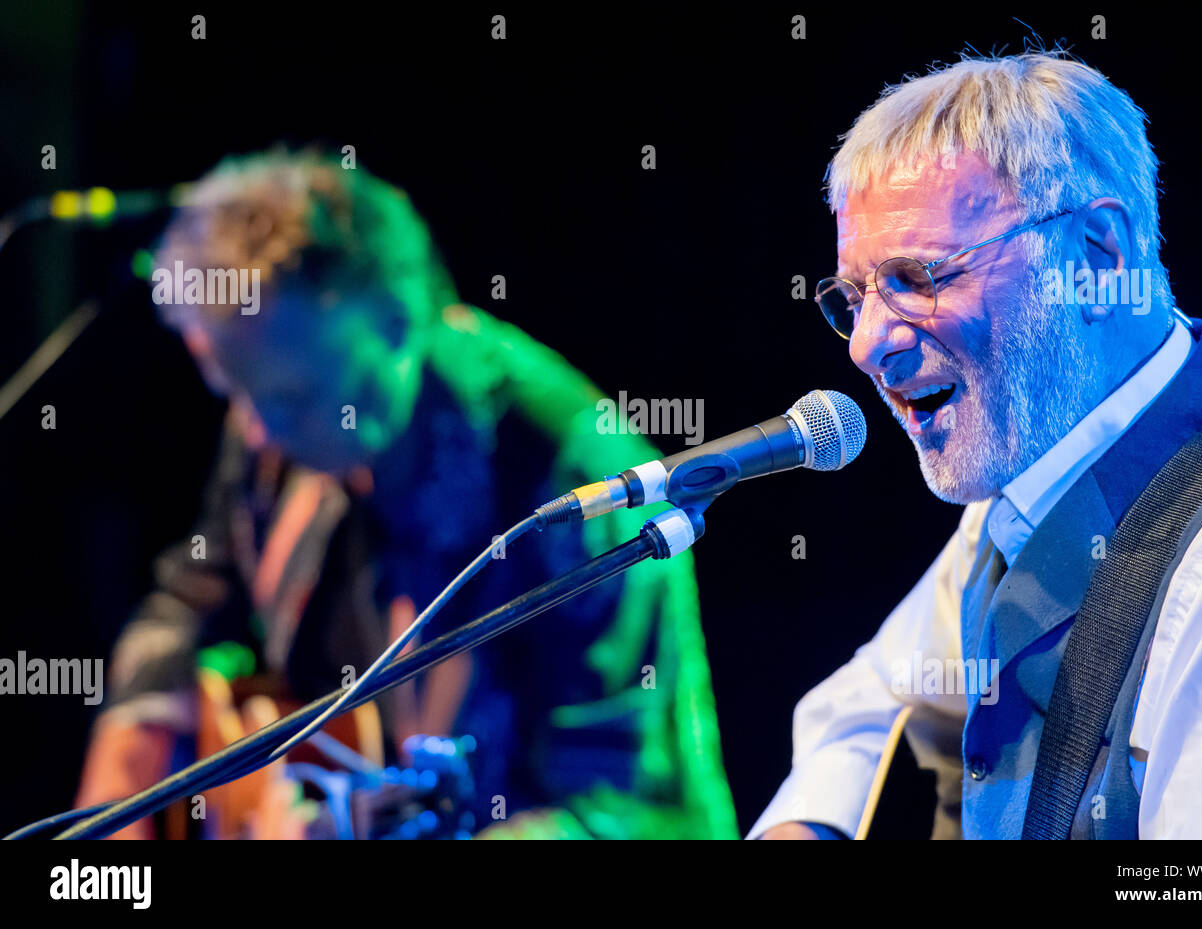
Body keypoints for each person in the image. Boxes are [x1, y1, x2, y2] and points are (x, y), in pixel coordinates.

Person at [76, 148, 737, 839]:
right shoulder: (275, 399)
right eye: (233, 392)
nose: (259, 432)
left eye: (293, 398)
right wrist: (127, 766)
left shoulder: (586, 481)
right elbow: (192, 595)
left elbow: (630, 810)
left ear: (398, 322)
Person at [754, 51, 1202, 839]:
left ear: (1095, 256)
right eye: (853, 296)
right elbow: (872, 700)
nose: (865, 345)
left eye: (917, 276)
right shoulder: (1022, 491)